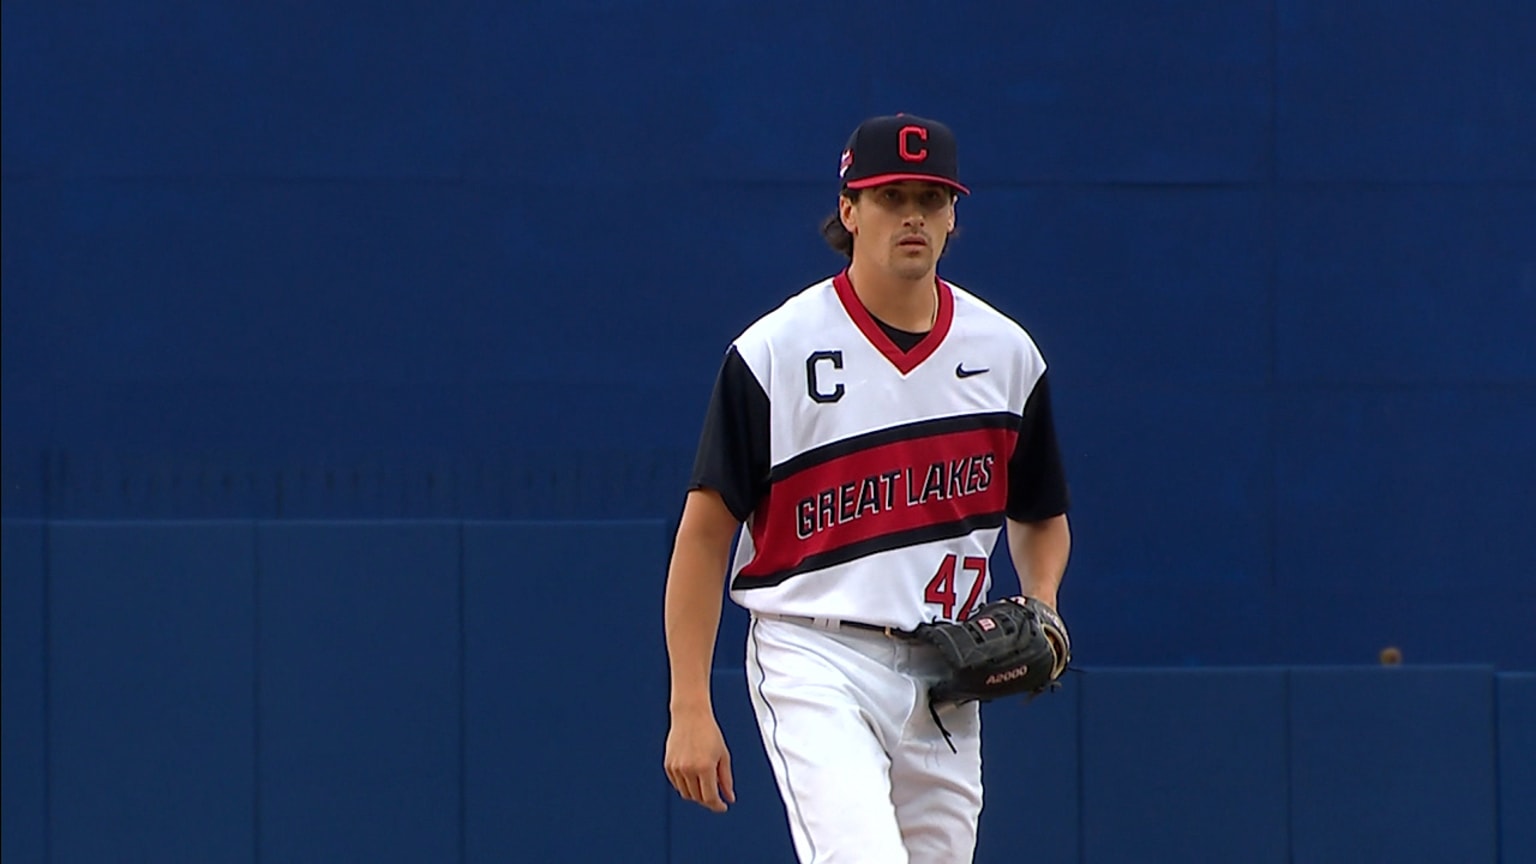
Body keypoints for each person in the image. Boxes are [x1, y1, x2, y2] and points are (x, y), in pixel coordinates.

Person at [662, 113, 1072, 863]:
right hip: (814, 654)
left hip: (948, 671)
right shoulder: (774, 352)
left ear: (954, 218)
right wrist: (689, 701)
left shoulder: (1007, 355)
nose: (912, 214)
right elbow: (705, 531)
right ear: (848, 212)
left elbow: (1040, 512)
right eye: (889, 197)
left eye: (931, 197)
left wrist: (1041, 601)